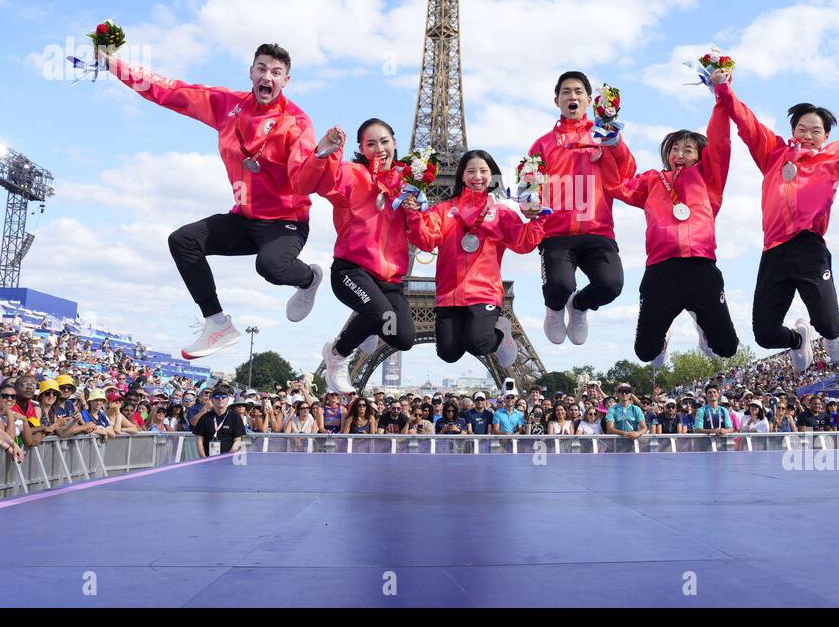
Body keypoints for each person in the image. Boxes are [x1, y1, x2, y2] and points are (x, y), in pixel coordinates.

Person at [98, 40, 323, 360]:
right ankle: (216, 323)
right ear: (251, 72)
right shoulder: (227, 105)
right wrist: (113, 65)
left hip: (284, 222)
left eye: (276, 72)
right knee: (182, 240)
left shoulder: (297, 122)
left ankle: (310, 278)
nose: (267, 77)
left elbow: (305, 174)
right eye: (262, 69)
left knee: (271, 267)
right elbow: (170, 91)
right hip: (244, 218)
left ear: (286, 81)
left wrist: (322, 156)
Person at [716, 72, 839, 371]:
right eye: (801, 129)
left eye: (816, 131)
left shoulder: (835, 156)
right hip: (773, 250)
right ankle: (797, 340)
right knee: (763, 334)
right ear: (792, 130)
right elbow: (745, 121)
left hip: (809, 247)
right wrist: (722, 88)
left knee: (828, 325)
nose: (808, 135)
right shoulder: (773, 153)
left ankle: (831, 332)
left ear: (826, 136)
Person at [598, 73, 738, 366]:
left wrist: (720, 94)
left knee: (726, 347)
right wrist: (613, 143)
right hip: (661, 271)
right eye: (675, 148)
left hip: (701, 268)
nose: (680, 153)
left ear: (700, 155)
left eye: (688, 149)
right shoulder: (652, 181)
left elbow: (721, 143)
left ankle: (702, 326)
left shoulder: (709, 178)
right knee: (646, 352)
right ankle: (664, 337)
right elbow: (618, 186)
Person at [300, 120, 419, 393]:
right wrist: (325, 153)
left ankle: (367, 326)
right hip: (352, 270)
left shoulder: (407, 186)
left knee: (403, 337)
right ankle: (338, 354)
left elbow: (426, 236)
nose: (380, 148)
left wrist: (416, 213)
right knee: (380, 313)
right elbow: (318, 182)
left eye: (385, 141)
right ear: (361, 149)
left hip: (389, 280)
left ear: (395, 143)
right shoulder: (352, 173)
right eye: (371, 143)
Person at [406, 150, 545, 369]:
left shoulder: (501, 213)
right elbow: (426, 240)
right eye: (471, 171)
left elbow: (524, 243)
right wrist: (414, 216)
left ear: (492, 176)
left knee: (478, 343)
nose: (477, 176)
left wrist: (536, 218)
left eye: (483, 171)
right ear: (461, 175)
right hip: (449, 294)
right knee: (448, 353)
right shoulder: (442, 210)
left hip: (483, 292)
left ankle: (500, 333)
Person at [528, 71, 636, 347]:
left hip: (597, 229)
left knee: (611, 285)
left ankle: (578, 307)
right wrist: (529, 202)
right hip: (556, 232)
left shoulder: (604, 135)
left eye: (578, 91)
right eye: (566, 92)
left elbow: (627, 173)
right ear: (556, 101)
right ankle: (554, 309)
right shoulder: (543, 144)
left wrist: (616, 144)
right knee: (560, 286)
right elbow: (529, 182)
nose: (572, 96)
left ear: (590, 100)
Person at [192, 385, 246, 456]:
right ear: (212, 400)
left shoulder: (235, 417)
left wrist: (227, 457)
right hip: (208, 460)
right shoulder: (205, 417)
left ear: (227, 399)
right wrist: (204, 459)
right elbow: (199, 440)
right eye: (217, 397)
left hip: (228, 460)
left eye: (223, 397)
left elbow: (238, 441)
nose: (220, 399)